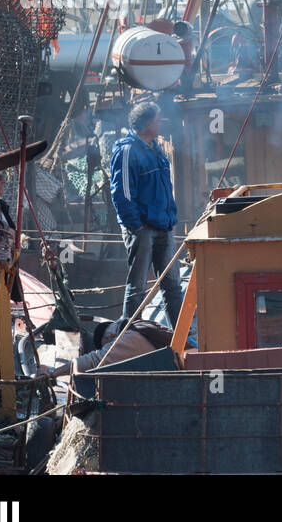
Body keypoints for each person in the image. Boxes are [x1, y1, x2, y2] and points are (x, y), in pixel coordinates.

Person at [110, 102, 182, 325]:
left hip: (163, 226)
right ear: (148, 123)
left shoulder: (154, 149)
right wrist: (136, 226)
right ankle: (129, 334)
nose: (161, 123)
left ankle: (182, 337)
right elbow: (121, 193)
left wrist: (169, 219)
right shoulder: (127, 150)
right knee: (138, 286)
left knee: (172, 284)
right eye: (158, 119)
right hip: (142, 228)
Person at [37, 319, 171, 378]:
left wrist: (53, 371)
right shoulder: (143, 325)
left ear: (111, 336)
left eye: (107, 346)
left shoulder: (129, 338)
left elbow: (94, 361)